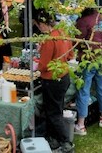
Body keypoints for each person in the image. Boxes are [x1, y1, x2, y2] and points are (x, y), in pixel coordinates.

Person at [33, 9, 73, 151]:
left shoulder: (50, 40)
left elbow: (43, 65)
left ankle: (65, 141)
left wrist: (36, 66)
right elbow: (70, 55)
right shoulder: (63, 32)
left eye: (38, 26)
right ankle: (53, 139)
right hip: (64, 76)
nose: (39, 29)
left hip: (52, 79)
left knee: (53, 112)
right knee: (57, 109)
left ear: (43, 24)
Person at [74, 6, 102, 136]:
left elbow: (78, 40)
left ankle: (81, 124)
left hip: (89, 59)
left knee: (83, 89)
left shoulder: (83, 21)